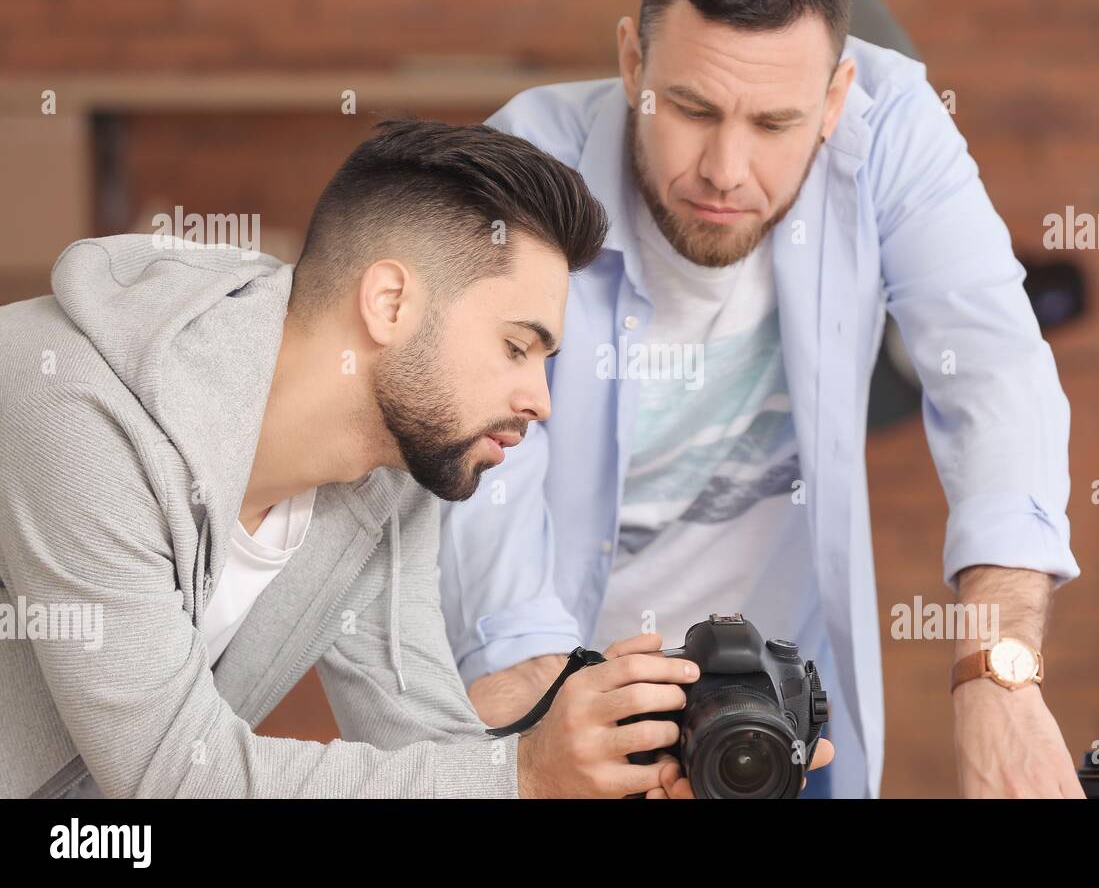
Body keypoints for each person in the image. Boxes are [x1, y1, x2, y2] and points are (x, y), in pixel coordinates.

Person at [441, 0, 1085, 799]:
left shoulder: (890, 125)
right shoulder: (525, 162)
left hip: (782, 710)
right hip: (568, 682)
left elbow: (995, 370)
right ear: (632, 64)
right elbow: (481, 458)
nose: (725, 171)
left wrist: (996, 675)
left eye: (775, 123)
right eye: (694, 109)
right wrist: (541, 711)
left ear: (833, 98)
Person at [0, 118, 701, 798]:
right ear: (390, 303)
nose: (540, 401)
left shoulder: (393, 475)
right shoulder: (77, 404)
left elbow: (432, 750)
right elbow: (175, 776)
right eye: (517, 347)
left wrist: (606, 761)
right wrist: (523, 777)